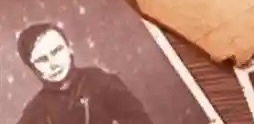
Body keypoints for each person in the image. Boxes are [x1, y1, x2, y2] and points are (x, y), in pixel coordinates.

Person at [15, 22, 152, 124]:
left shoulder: (101, 82)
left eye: (57, 51)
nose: (54, 63)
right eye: (42, 59)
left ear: (69, 49)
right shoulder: (36, 111)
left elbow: (139, 120)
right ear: (32, 68)